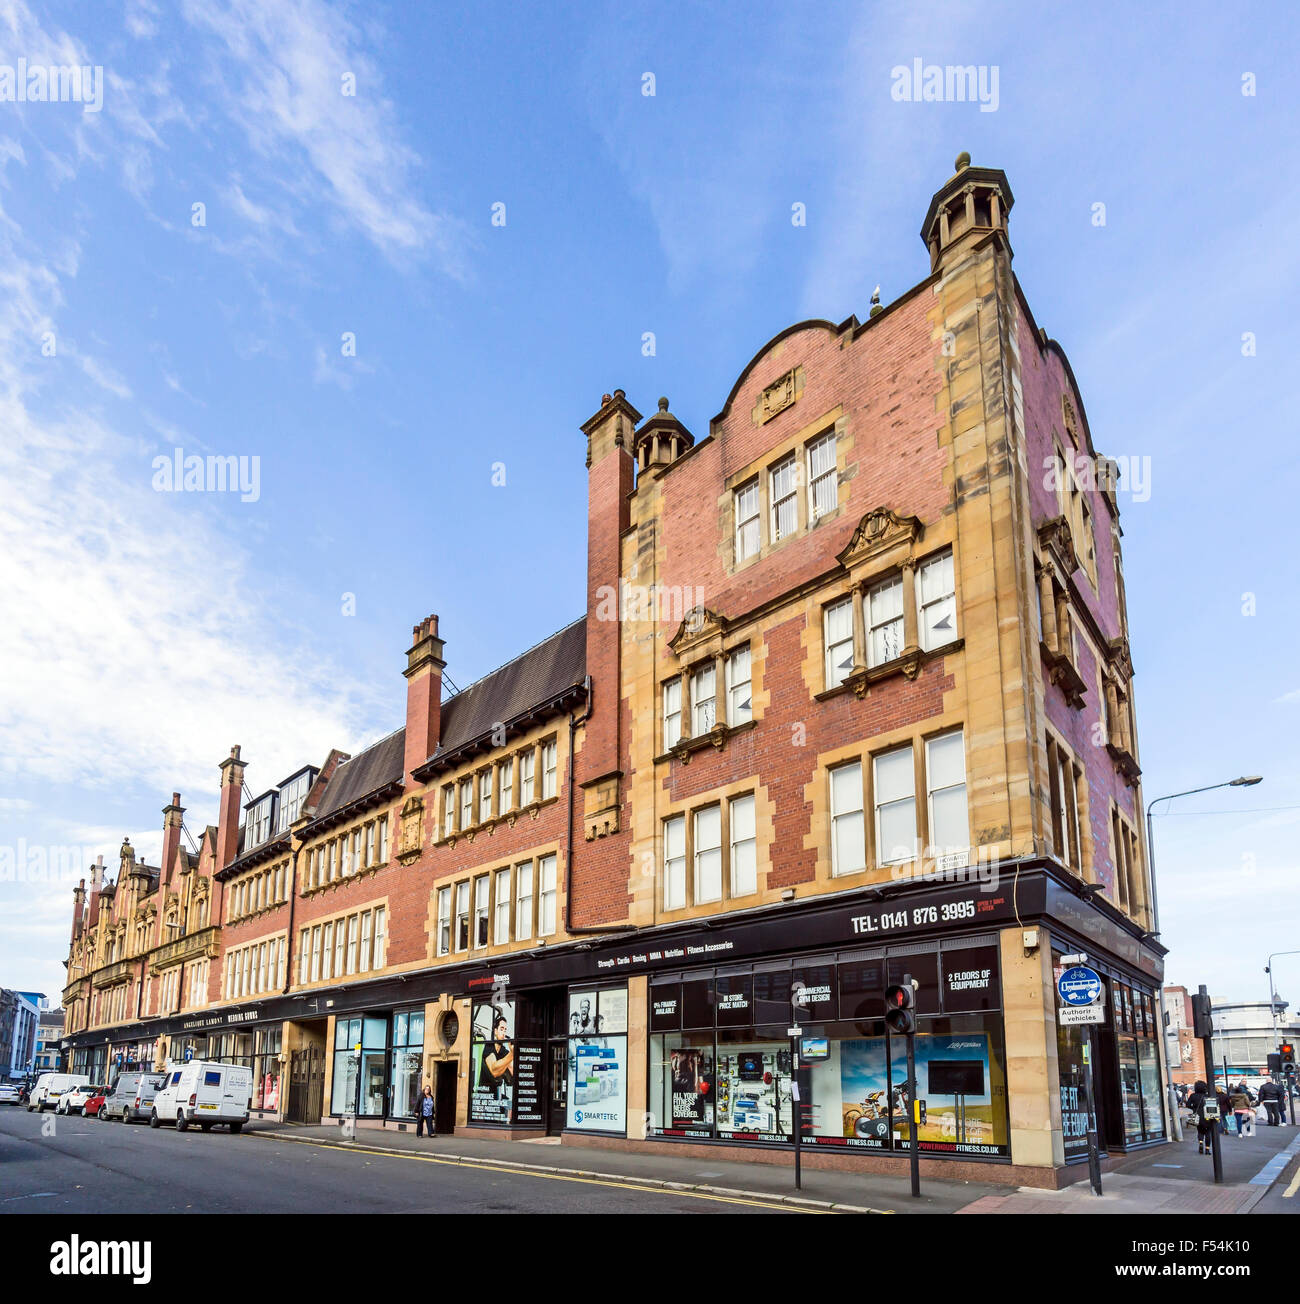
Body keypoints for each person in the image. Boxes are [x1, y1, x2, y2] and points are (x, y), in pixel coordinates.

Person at [1185, 1080, 1216, 1155]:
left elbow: (1188, 1105)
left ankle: (1201, 1142)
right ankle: (1207, 1149)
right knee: (1208, 1132)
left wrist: (1194, 1108)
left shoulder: (1193, 1096)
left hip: (1198, 1115)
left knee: (1200, 1130)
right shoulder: (1208, 1096)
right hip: (1208, 1115)